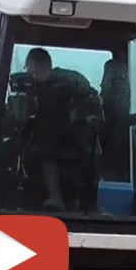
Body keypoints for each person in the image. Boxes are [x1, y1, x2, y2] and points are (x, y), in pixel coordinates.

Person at [22, 47, 101, 211]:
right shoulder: (33, 87)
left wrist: (80, 114)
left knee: (46, 140)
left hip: (74, 129)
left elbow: (91, 97)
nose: (29, 71)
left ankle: (62, 198)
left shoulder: (68, 80)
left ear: (42, 64)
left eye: (30, 67)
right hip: (53, 131)